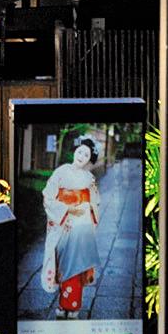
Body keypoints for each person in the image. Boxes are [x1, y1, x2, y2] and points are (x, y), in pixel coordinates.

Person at [40, 135, 102, 316]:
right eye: (80, 152)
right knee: (64, 263)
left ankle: (73, 306)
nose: (81, 156)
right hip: (65, 222)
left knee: (78, 263)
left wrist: (86, 208)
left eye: (86, 155)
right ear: (75, 151)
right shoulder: (61, 171)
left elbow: (95, 201)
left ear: (89, 160)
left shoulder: (89, 178)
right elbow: (48, 196)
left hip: (82, 224)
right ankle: (64, 304)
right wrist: (67, 209)